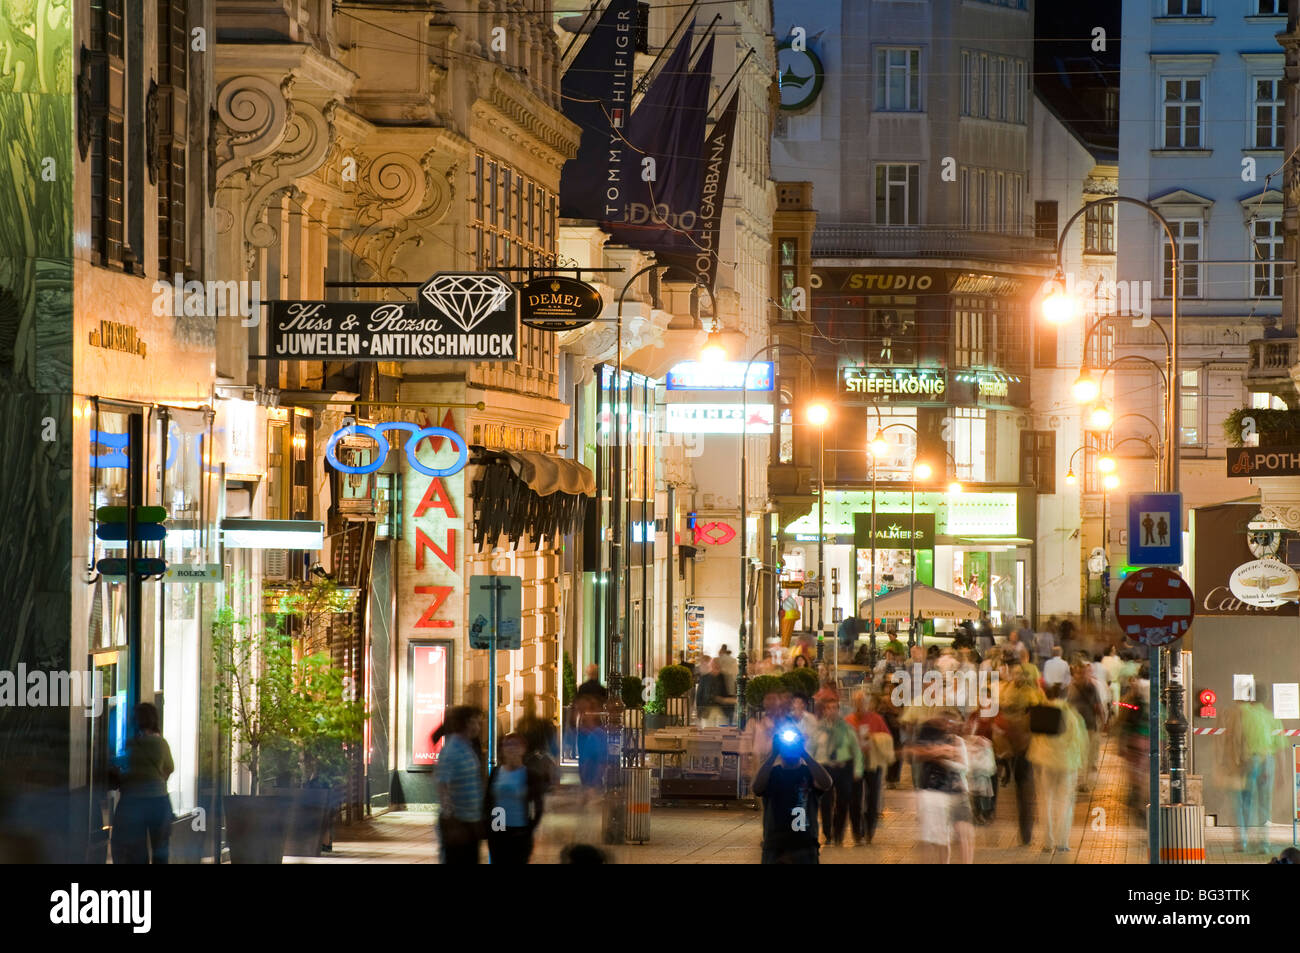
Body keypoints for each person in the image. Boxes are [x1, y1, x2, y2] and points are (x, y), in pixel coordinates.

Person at [753, 726, 833, 864]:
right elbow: (757, 788)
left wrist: (804, 753)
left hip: (805, 845)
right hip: (775, 846)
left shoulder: (808, 773)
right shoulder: (772, 773)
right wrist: (773, 754)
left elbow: (826, 783)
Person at [110, 703, 175, 864]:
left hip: (133, 803)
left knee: (136, 852)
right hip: (159, 801)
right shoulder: (161, 744)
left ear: (136, 721)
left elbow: (123, 771)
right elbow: (169, 768)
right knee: (160, 849)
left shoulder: (130, 745)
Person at [1221, 692, 1284, 853]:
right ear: (1266, 699)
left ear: (1251, 698)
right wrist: (1281, 773)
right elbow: (1280, 747)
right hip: (1267, 761)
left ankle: (1241, 841)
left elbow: (1232, 738)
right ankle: (1263, 843)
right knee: (1264, 803)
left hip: (1247, 761)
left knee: (1243, 801)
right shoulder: (1272, 718)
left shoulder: (1242, 714)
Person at [1027, 684, 1087, 852]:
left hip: (1045, 764)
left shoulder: (1040, 713)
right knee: (1065, 803)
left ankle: (1047, 842)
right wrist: (1081, 763)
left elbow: (1035, 739)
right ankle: (1062, 841)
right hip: (1067, 764)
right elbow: (1079, 741)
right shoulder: (1072, 715)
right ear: (1065, 695)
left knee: (1045, 801)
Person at [912, 709, 974, 863]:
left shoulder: (957, 741)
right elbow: (918, 755)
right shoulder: (930, 736)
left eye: (952, 722)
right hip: (936, 792)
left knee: (963, 834)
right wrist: (940, 754)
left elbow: (964, 766)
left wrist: (943, 758)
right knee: (940, 839)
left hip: (957, 791)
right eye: (946, 721)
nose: (948, 725)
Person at [994, 663, 1044, 846]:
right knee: (1018, 789)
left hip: (1025, 746)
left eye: (1020, 674)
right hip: (1006, 744)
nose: (1017, 677)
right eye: (1014, 673)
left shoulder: (1033, 694)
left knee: (1024, 788)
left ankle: (1026, 831)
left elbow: (1039, 720)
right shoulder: (1005, 689)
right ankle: (1025, 828)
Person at [434, 706, 485, 864]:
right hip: (458, 823)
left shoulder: (467, 746)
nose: (478, 726)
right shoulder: (452, 750)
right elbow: (442, 785)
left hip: (470, 820)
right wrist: (451, 818)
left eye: (478, 722)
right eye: (474, 722)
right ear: (465, 724)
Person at [485, 733, 546, 864]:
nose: (511, 748)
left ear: (523, 749)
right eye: (507, 745)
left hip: (519, 830)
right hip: (498, 828)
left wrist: (530, 828)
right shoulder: (496, 772)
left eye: (516, 745)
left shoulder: (529, 774)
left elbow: (538, 805)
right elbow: (488, 799)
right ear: (502, 749)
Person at [812, 696, 863, 847]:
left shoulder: (847, 729)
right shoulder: (819, 729)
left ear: (838, 710)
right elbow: (811, 750)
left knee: (843, 801)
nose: (832, 711)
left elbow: (857, 750)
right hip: (825, 768)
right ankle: (828, 834)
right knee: (825, 803)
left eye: (835, 708)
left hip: (843, 768)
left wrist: (858, 770)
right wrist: (811, 771)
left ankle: (838, 833)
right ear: (825, 711)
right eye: (829, 708)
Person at [846, 690, 892, 844]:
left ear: (867, 703)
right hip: (855, 764)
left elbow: (887, 738)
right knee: (855, 799)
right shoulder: (848, 720)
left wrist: (872, 739)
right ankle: (857, 832)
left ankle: (870, 831)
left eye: (862, 701)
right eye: (857, 702)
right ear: (853, 704)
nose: (860, 705)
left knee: (872, 798)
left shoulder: (876, 719)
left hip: (873, 764)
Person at [1067, 660, 1106, 791]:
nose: (1079, 675)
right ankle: (1080, 781)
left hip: (1087, 725)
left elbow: (1098, 706)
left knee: (1086, 754)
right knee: (1079, 753)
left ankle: (1083, 782)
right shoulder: (1071, 687)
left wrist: (1103, 721)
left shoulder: (1090, 687)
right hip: (1075, 726)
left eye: (1081, 673)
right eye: (1078, 673)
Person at [516, 693, 559, 790]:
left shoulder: (542, 723)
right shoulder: (522, 724)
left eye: (529, 704)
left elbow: (552, 747)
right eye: (526, 704)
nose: (528, 708)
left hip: (539, 764)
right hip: (529, 764)